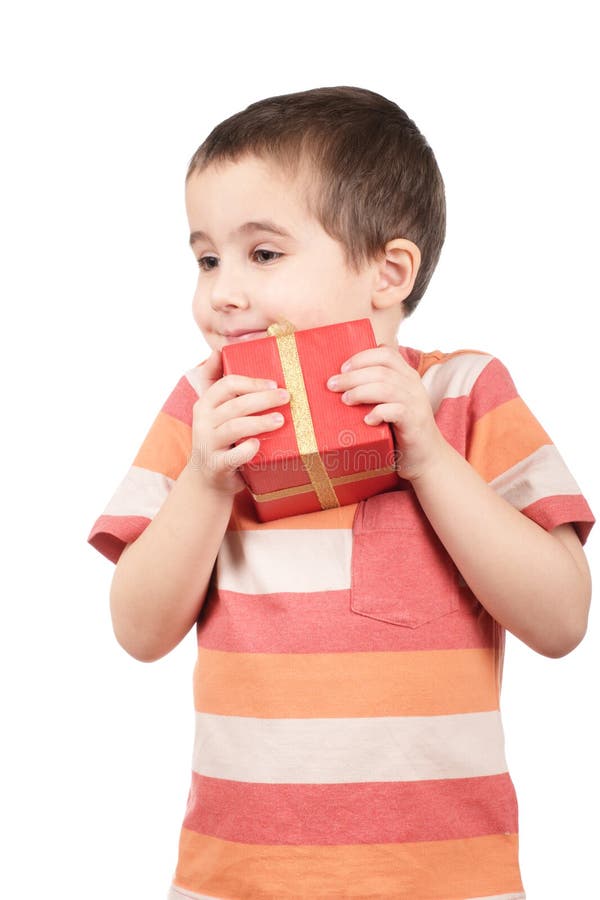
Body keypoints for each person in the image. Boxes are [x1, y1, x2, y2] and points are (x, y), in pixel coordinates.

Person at [87, 86, 594, 899]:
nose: (221, 293)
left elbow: (563, 618)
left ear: (387, 272)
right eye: (206, 258)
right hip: (238, 873)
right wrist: (207, 480)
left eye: (263, 255)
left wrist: (428, 459)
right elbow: (138, 631)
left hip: (444, 878)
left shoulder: (464, 394)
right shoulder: (201, 409)